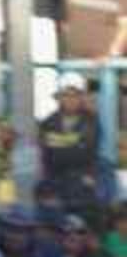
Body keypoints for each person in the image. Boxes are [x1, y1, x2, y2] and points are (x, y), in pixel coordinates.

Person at [41, 80, 103, 210]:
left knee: (82, 216)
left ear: (81, 98)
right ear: (59, 99)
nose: (70, 100)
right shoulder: (48, 122)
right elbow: (47, 153)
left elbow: (88, 151)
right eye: (66, 96)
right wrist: (72, 143)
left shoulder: (91, 121)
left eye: (74, 96)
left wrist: (89, 175)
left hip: (82, 179)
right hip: (55, 180)